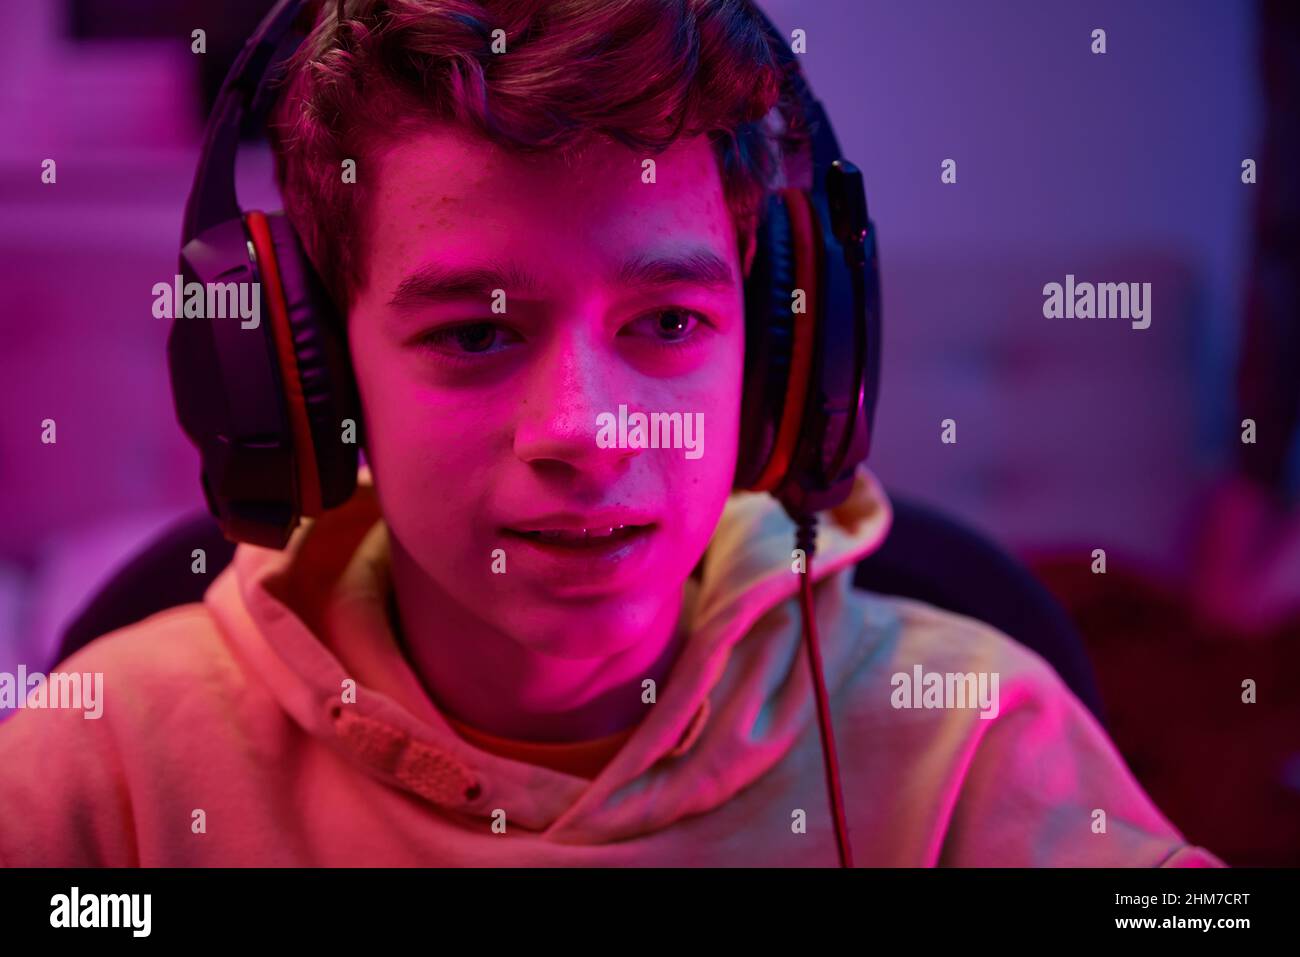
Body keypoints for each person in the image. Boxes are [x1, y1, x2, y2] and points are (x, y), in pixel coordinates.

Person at [0, 0, 1223, 867]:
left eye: (669, 321)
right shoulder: (104, 767)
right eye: (476, 336)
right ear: (309, 373)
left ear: (786, 347)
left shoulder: (970, 743)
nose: (585, 433)